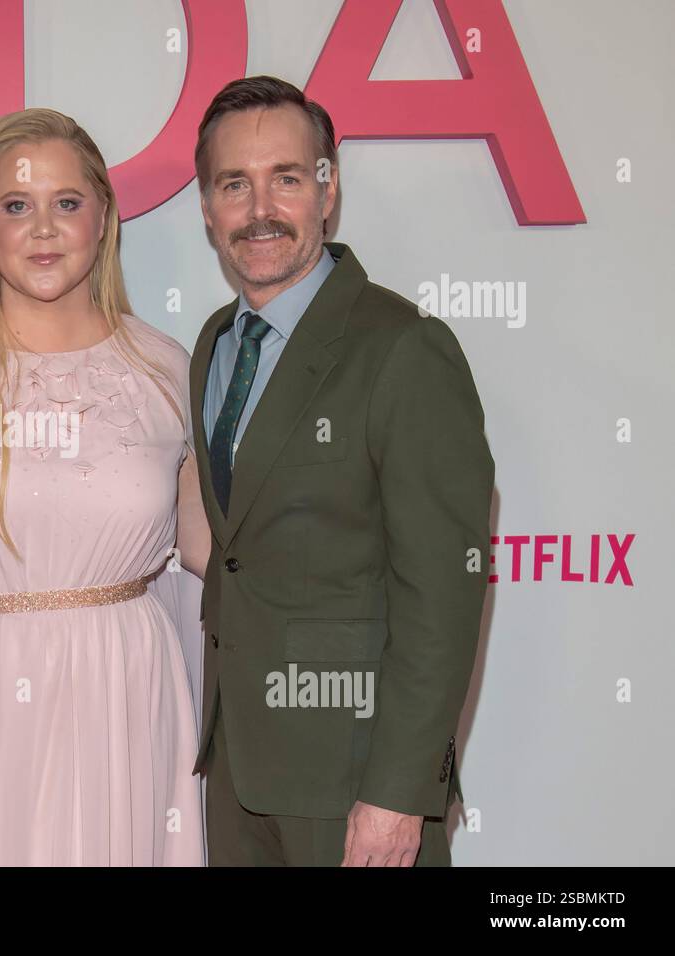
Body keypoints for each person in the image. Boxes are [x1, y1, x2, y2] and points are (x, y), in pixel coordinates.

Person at [0, 108, 210, 865]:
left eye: (67, 203)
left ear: (104, 217)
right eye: (16, 205)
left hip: (125, 695)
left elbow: (215, 554)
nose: (43, 229)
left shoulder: (168, 369)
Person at [189, 75, 494, 866]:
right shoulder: (216, 344)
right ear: (207, 205)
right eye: (234, 184)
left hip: (356, 785)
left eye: (286, 179)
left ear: (328, 192)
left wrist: (399, 793)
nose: (260, 210)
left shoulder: (403, 348)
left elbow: (442, 593)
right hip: (237, 776)